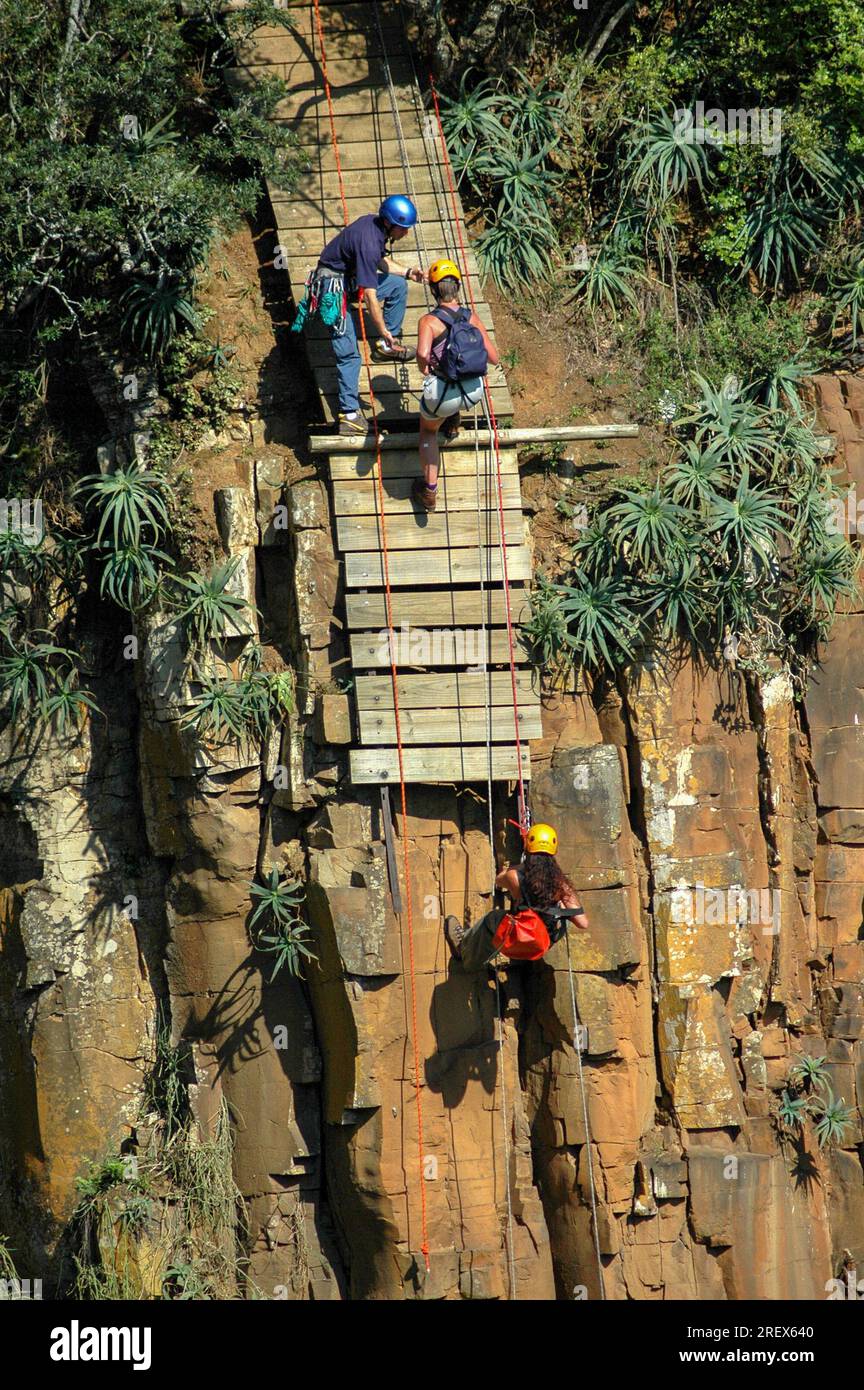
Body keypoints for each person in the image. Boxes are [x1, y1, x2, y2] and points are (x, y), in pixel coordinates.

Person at [312, 195, 428, 436]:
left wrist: (408, 272)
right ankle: (349, 415)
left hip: (346, 280)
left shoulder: (375, 227)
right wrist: (382, 327)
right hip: (331, 289)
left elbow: (382, 262)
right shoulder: (367, 242)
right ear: (390, 222)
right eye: (404, 229)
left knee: (397, 285)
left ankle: (384, 346)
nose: (406, 234)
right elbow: (370, 296)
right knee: (349, 355)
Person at [411, 259, 499, 511]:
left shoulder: (428, 321)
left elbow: (422, 354)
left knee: (428, 432)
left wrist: (424, 367)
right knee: (451, 405)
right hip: (473, 392)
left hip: (443, 396)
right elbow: (494, 358)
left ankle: (429, 491)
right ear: (457, 287)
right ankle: (453, 423)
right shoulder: (471, 317)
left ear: (435, 290)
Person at [444, 822, 589, 970]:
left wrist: (516, 867)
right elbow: (583, 923)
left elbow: (499, 880)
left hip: (521, 937)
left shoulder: (515, 876)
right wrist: (560, 909)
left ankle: (464, 952)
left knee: (492, 919)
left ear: (527, 846)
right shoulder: (561, 883)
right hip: (542, 942)